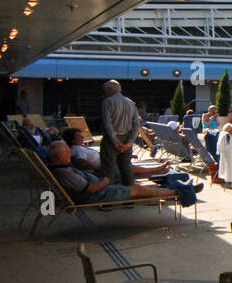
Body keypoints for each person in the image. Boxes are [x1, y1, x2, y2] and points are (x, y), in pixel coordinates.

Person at [46, 140, 177, 206]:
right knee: (140, 190)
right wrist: (105, 181)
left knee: (136, 185)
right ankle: (176, 193)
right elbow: (90, 189)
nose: (70, 154)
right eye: (67, 152)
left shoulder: (60, 169)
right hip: (98, 194)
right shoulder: (64, 173)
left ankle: (167, 188)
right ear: (59, 156)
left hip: (99, 189)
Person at [99, 79, 141, 186]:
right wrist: (130, 141)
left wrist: (115, 141)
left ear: (109, 90)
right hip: (127, 137)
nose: (104, 93)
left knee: (108, 167)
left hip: (111, 139)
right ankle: (131, 190)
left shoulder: (107, 101)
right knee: (126, 166)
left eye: (105, 91)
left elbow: (107, 123)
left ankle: (109, 192)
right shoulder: (131, 103)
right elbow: (136, 124)